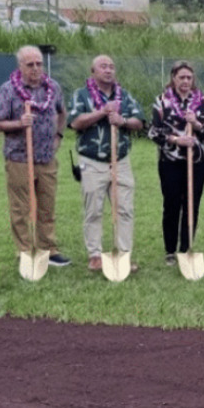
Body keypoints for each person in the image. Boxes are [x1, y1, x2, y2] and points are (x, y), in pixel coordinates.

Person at [0, 45, 70, 267]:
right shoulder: (8, 90)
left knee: (47, 205)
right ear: (20, 66)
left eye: (38, 64)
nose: (35, 68)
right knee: (21, 208)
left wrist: (58, 136)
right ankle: (25, 251)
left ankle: (48, 249)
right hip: (19, 158)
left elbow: (62, 112)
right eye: (30, 64)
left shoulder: (52, 87)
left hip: (47, 158)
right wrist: (19, 123)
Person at [68, 55, 146, 273]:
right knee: (93, 209)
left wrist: (122, 121)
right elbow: (75, 122)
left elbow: (139, 121)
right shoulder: (81, 95)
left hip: (120, 161)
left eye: (112, 66)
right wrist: (102, 112)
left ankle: (123, 254)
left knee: (124, 209)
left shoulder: (125, 96)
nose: (108, 70)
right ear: (93, 71)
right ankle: (95, 255)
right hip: (92, 162)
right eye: (103, 66)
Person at [147, 61, 204, 265]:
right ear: (173, 78)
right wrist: (176, 139)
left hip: (198, 162)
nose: (185, 81)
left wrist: (196, 124)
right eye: (181, 77)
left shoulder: (202, 101)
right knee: (172, 204)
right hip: (170, 161)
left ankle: (186, 249)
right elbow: (153, 132)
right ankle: (170, 250)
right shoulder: (161, 101)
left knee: (192, 204)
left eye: (189, 77)